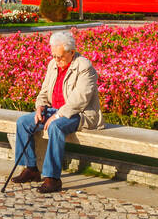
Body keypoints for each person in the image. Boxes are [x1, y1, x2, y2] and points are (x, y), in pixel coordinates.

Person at [9, 30, 103, 194]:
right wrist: (39, 106)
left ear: (72, 52)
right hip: (54, 110)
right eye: (54, 55)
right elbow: (44, 92)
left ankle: (53, 179)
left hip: (80, 114)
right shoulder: (52, 64)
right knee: (23, 122)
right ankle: (31, 169)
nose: (56, 60)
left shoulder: (85, 67)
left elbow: (80, 100)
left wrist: (57, 115)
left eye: (60, 56)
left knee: (56, 127)